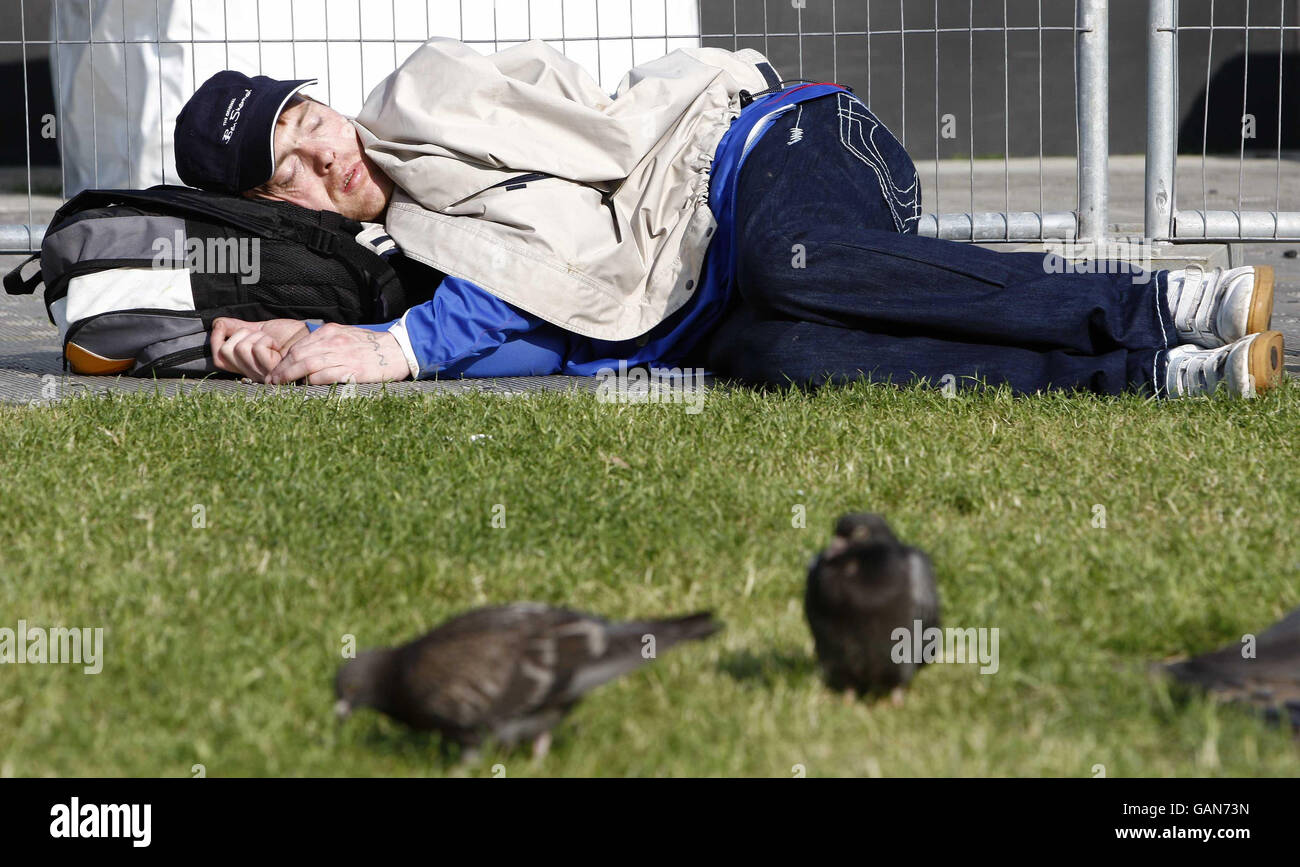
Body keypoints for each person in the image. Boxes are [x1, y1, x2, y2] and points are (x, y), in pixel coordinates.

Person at [173, 38, 1285, 398]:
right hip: (706, 292)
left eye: (304, 116)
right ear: (278, 209)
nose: (326, 152)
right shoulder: (411, 244)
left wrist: (401, 348)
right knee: (791, 352)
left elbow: (560, 245)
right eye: (293, 170)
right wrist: (262, 341)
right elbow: (556, 326)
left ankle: (1162, 295)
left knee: (791, 268)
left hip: (772, 147)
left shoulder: (418, 103)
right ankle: (1153, 372)